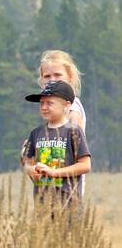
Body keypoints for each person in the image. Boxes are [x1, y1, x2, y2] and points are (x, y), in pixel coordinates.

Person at [21, 80, 91, 206]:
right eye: (41, 103)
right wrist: (30, 170)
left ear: (67, 106)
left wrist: (54, 173)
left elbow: (85, 165)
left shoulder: (73, 131)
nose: (44, 107)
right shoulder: (36, 132)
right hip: (42, 204)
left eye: (50, 103)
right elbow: (27, 162)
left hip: (69, 204)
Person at [37, 50, 86, 196]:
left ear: (70, 77)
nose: (52, 79)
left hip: (67, 189)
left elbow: (72, 150)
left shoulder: (72, 108)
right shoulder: (52, 109)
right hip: (49, 187)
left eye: (58, 75)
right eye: (47, 76)